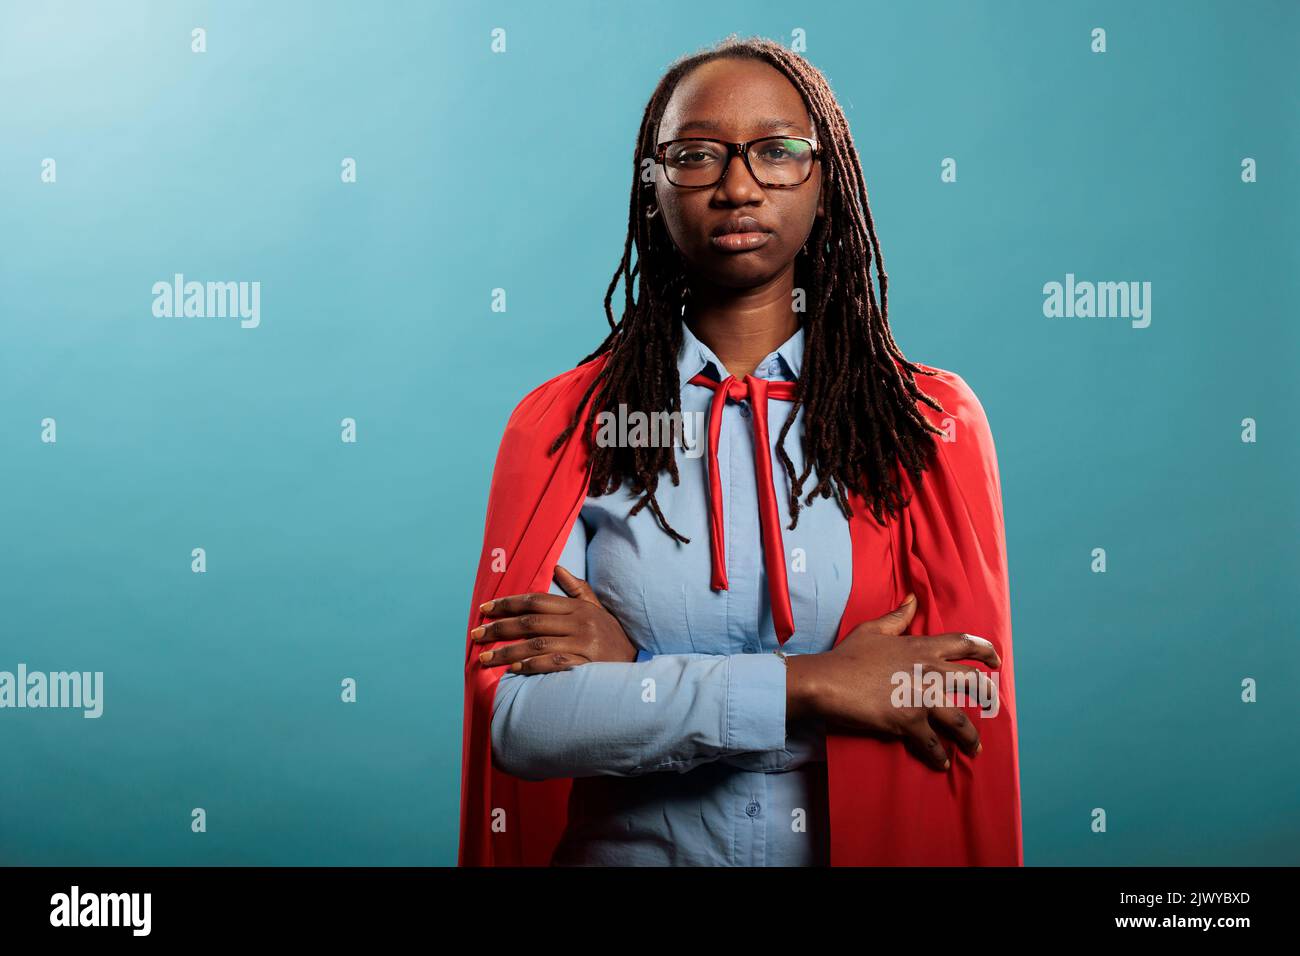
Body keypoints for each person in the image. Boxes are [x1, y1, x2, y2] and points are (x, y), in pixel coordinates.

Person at [458, 35, 1022, 867]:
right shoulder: (565, 424)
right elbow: (524, 724)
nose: (737, 185)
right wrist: (818, 685)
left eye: (778, 151)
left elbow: (960, 694)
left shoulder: (925, 421)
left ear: (826, 184)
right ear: (652, 189)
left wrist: (638, 673)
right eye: (695, 155)